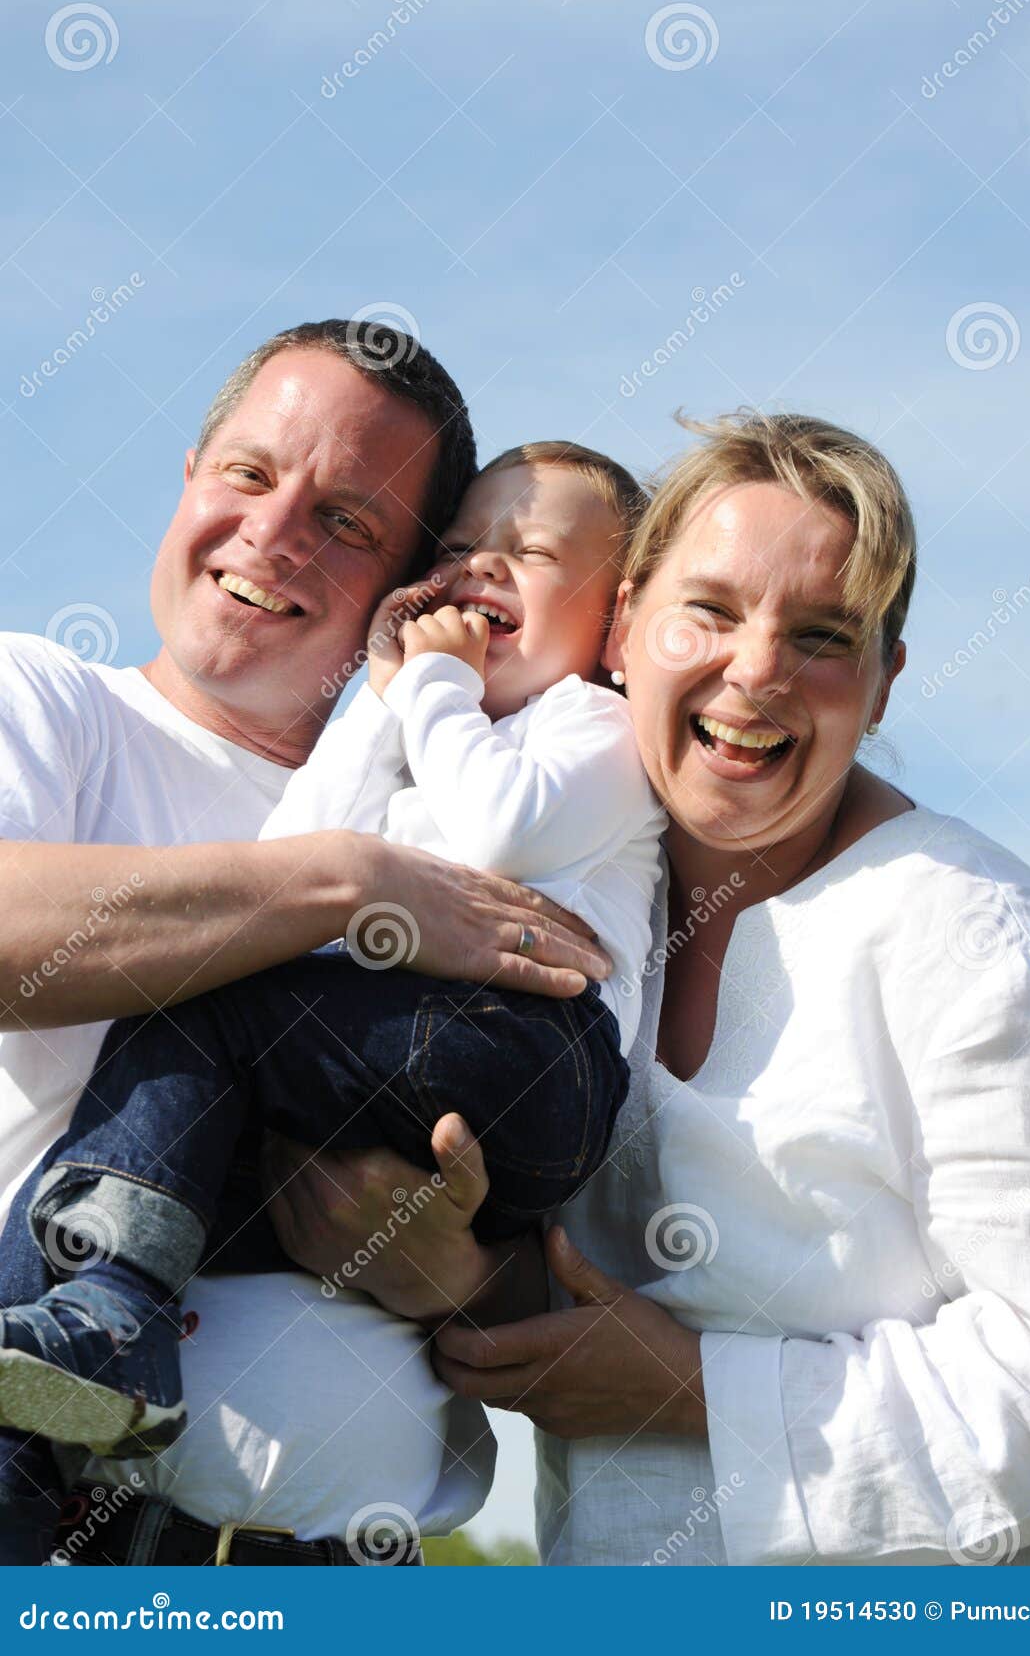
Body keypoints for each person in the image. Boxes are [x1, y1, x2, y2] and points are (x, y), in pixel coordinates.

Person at [0, 320, 611, 1566]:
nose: (273, 535)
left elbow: (568, 1267)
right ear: (188, 474)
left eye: (347, 520)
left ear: (415, 583)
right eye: (249, 472)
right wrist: (344, 881)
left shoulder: (462, 790)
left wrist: (444, 1271)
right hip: (51, 1525)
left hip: (334, 1569)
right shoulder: (45, 700)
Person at [430, 410, 1030, 1566]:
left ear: (881, 686)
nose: (759, 667)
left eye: (824, 634)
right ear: (624, 628)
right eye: (711, 609)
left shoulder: (961, 923)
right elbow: (568, 1294)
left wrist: (695, 1393)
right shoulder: (581, 884)